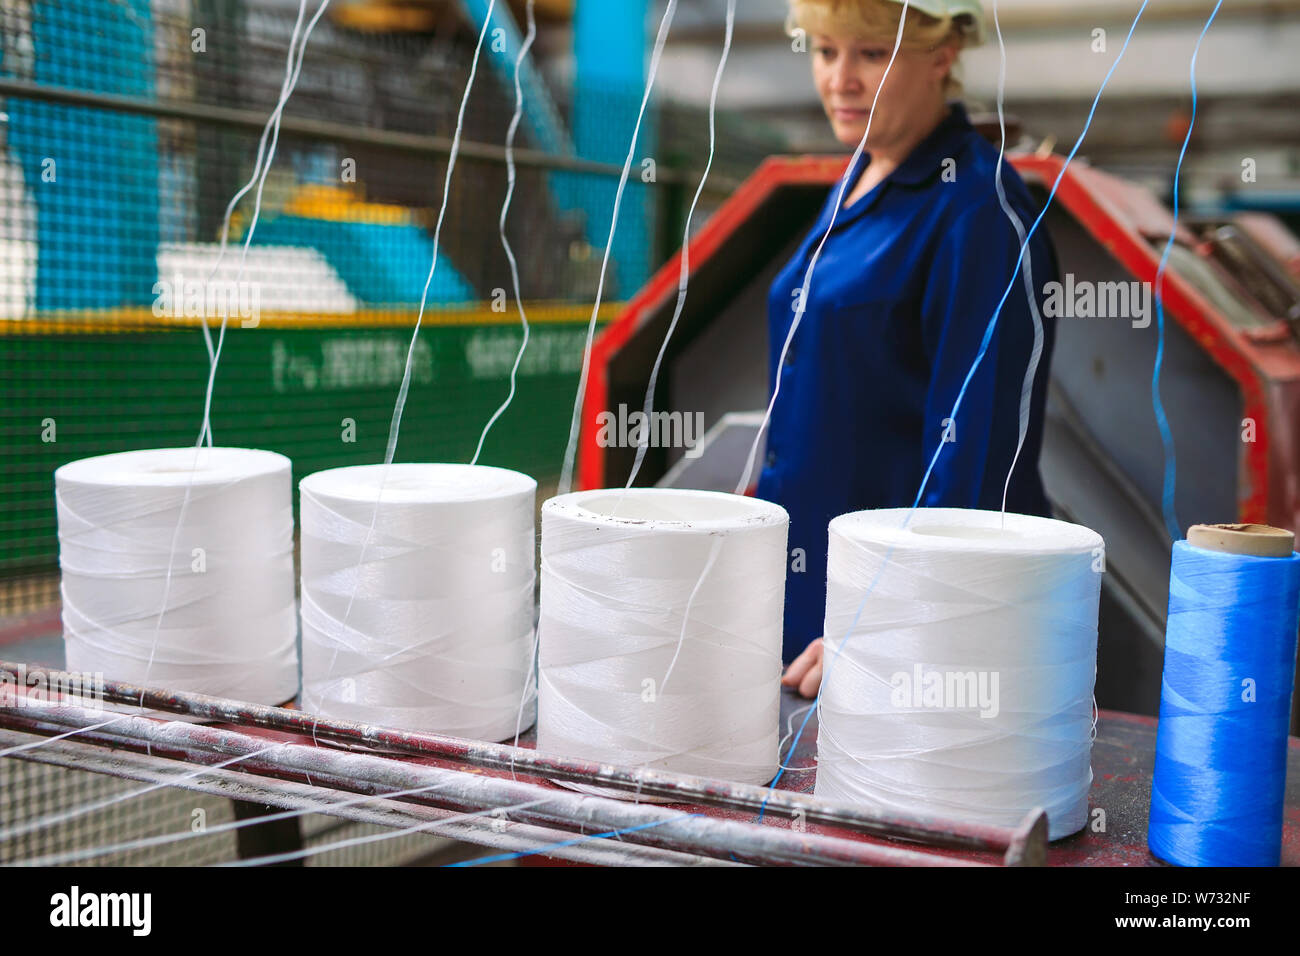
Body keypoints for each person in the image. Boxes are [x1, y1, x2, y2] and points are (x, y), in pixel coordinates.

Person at [760, 0, 1061, 696]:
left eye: (870, 53)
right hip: (813, 607)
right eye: (825, 50)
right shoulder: (864, 175)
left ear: (940, 56)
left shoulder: (978, 214)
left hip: (898, 644)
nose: (840, 79)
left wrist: (884, 628)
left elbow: (976, 464)